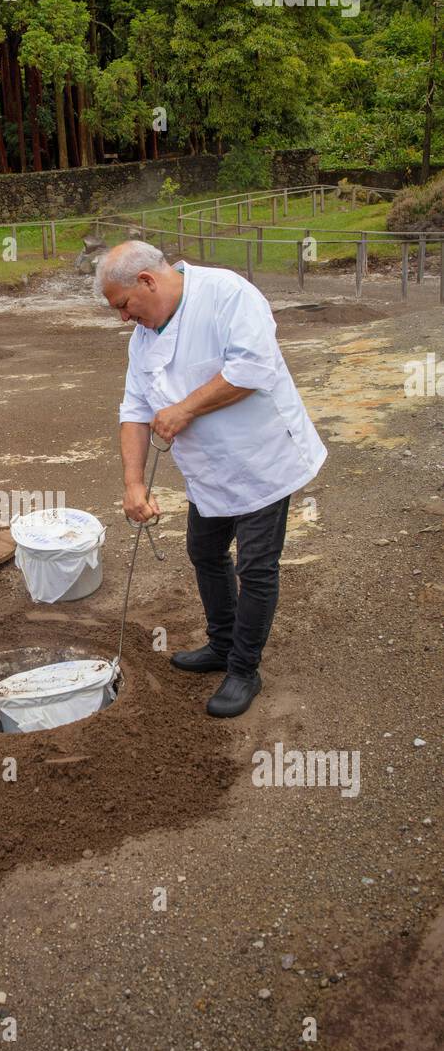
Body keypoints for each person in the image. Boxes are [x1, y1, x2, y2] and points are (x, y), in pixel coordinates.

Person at [97, 241, 326, 718]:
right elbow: (135, 411)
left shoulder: (226, 294)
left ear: (147, 281)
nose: (122, 318)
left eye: (123, 305)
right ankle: (222, 644)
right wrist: (133, 483)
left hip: (264, 459)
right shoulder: (142, 339)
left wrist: (184, 408)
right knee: (204, 551)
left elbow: (251, 368)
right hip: (210, 470)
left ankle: (244, 669)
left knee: (256, 567)